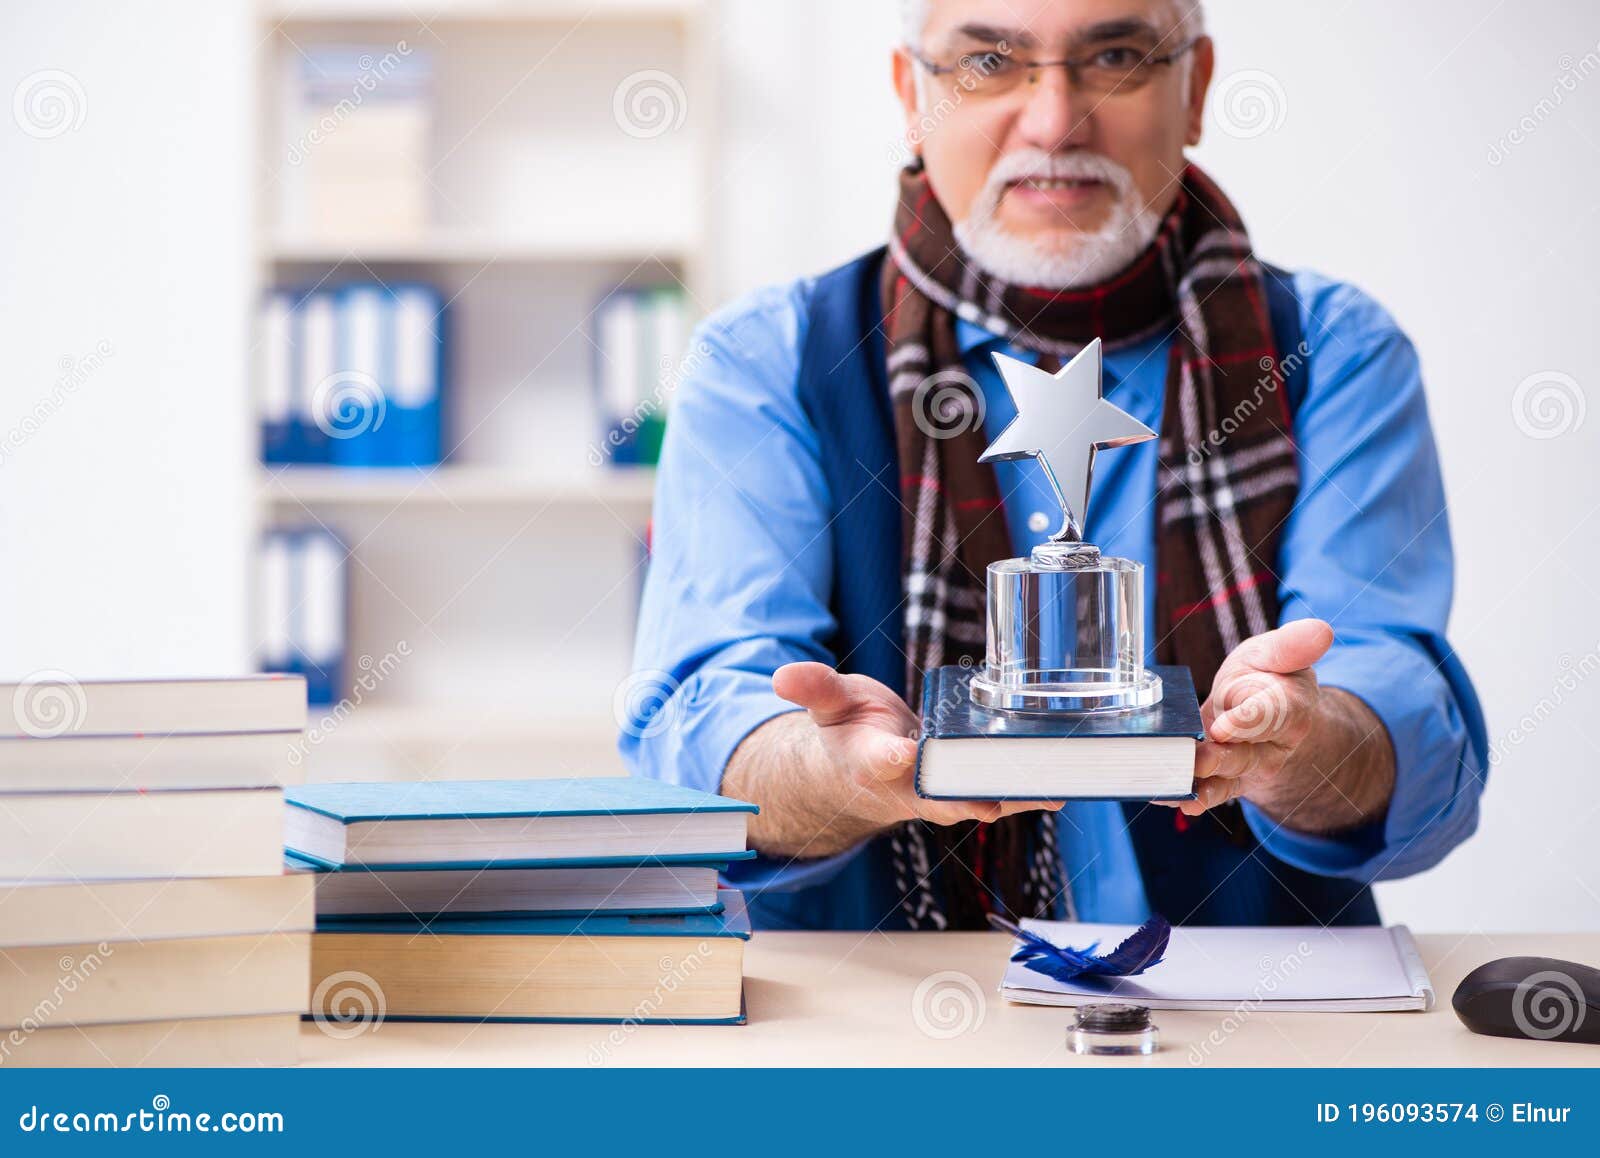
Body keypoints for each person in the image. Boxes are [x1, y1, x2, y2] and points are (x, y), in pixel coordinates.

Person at [620, 0, 1487, 931]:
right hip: (876, 1028)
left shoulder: (1334, 351)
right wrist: (833, 773)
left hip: (1255, 1030)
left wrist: (1304, 744)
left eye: (1115, 55)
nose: (1053, 121)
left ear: (1192, 89)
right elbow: (696, 750)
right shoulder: (764, 360)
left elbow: (1409, 747)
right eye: (989, 61)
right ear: (913, 92)